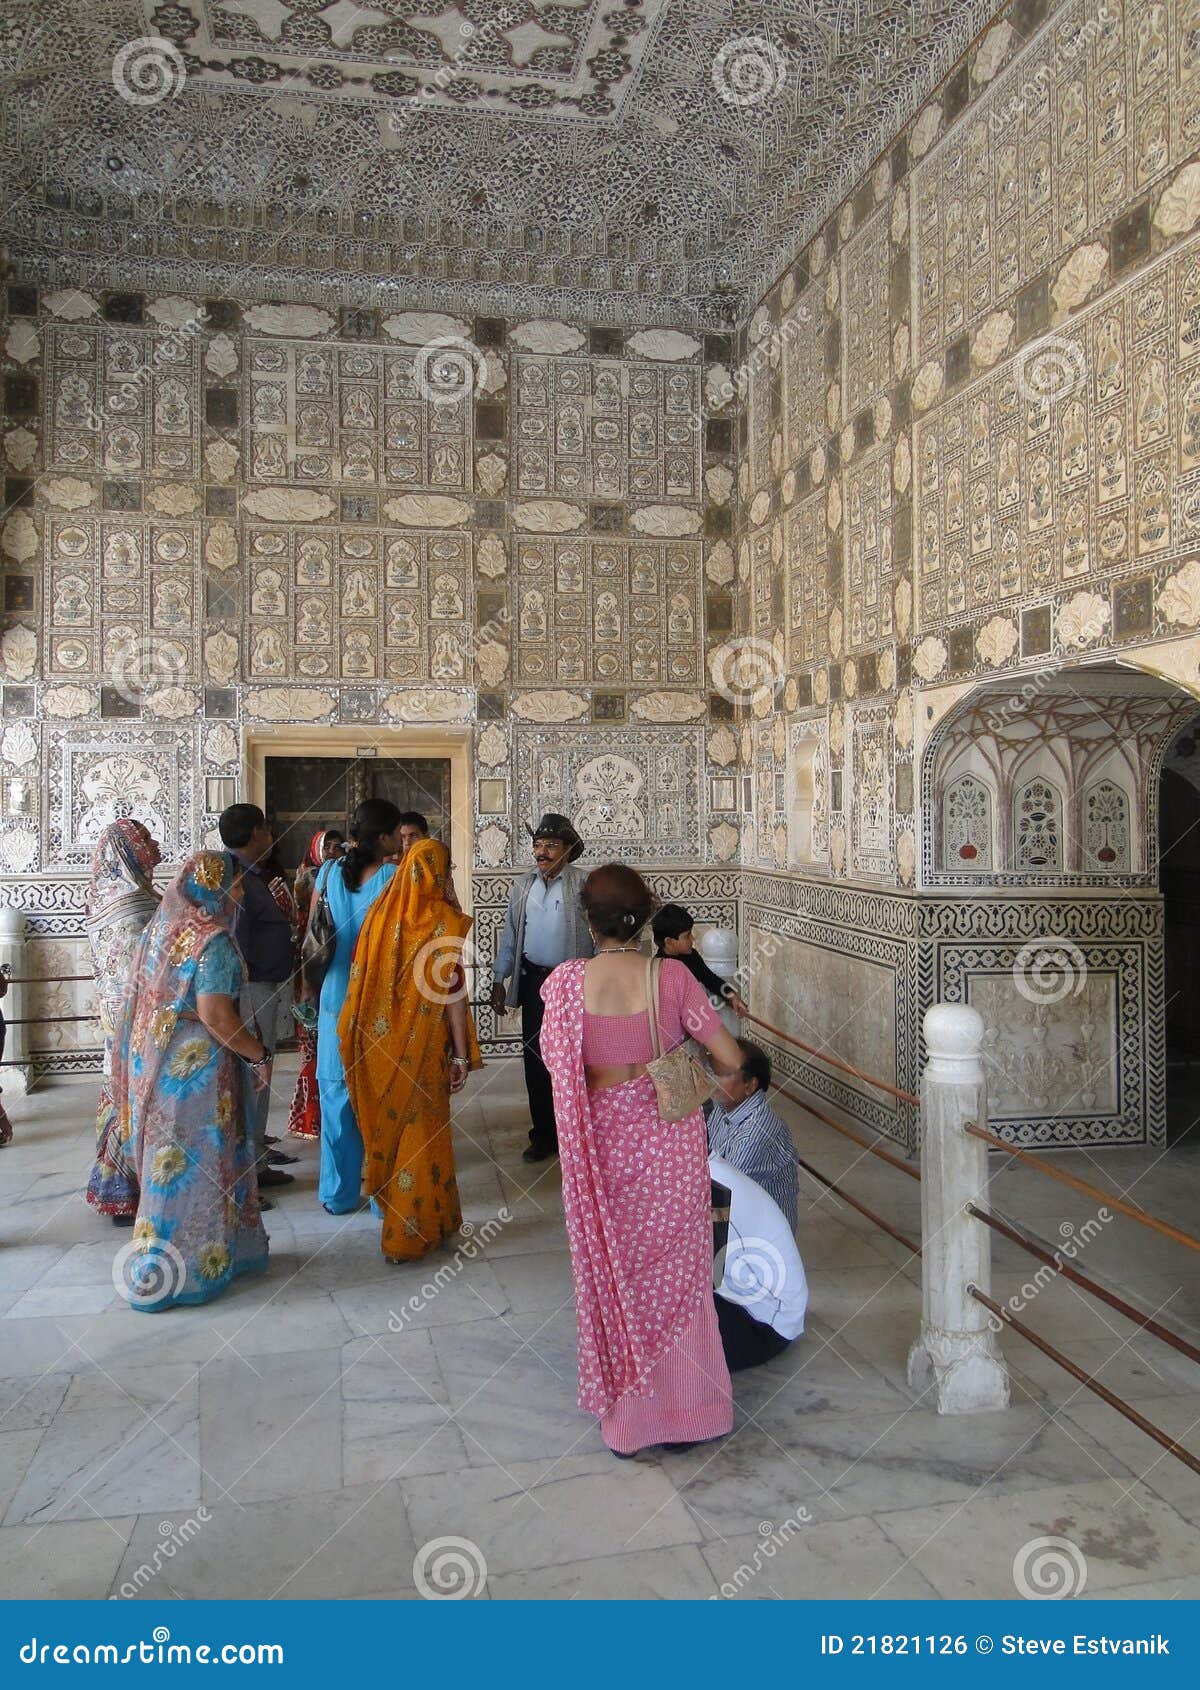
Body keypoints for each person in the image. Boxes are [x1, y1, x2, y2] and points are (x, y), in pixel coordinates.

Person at [539, 863, 747, 1457]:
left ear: (587, 919)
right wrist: (682, 1064)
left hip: (601, 1151)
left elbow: (559, 1071)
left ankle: (634, 1420)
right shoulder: (673, 980)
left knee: (620, 1277)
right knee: (680, 1281)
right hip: (671, 1145)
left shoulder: (566, 985)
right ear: (647, 913)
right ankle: (690, 1413)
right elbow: (730, 1058)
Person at [113, 851, 271, 1311]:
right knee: (196, 1167)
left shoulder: (161, 930)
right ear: (212, 886)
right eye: (235, 884)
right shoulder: (212, 940)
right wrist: (258, 1055)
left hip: (160, 1067)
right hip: (197, 1071)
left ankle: (158, 1266)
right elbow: (217, 1015)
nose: (240, 893)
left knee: (170, 1166)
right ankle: (188, 1270)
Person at [341, 836, 482, 1261]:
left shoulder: (381, 915)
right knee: (422, 1135)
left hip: (378, 1048)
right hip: (423, 1050)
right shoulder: (442, 922)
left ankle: (429, 1220)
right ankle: (409, 1235)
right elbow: (452, 993)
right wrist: (460, 1054)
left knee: (396, 1132)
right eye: (448, 871)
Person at [307, 797, 404, 1214]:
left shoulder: (328, 872)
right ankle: (384, 1199)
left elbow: (313, 932)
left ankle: (338, 1194)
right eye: (396, 834)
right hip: (380, 1000)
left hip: (334, 996)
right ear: (383, 837)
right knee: (382, 1099)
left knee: (335, 1097)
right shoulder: (395, 878)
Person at [491, 813, 591, 1163]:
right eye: (537, 845)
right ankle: (544, 1135)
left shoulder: (584, 885)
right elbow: (510, 936)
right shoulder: (522, 886)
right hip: (535, 982)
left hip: (573, 987)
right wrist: (499, 978)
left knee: (573, 1061)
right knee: (536, 1059)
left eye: (550, 845)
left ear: (568, 849)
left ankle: (575, 1135)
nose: (542, 852)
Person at [83, 819, 161, 1224]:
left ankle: (122, 1185)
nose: (153, 845)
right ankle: (132, 1189)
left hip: (118, 1021)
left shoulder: (109, 896)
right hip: (137, 1021)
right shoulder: (133, 905)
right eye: (144, 840)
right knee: (137, 1099)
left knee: (122, 1096)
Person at [219, 804, 294, 1201]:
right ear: (254, 833)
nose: (270, 838)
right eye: (266, 830)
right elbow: (235, 938)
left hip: (261, 987)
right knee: (252, 1076)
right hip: (249, 991)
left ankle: (256, 1161)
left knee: (258, 1078)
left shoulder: (249, 874)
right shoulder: (235, 879)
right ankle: (245, 1175)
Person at [710, 1156, 807, 1372]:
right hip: (739, 1297)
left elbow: (704, 1277)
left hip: (768, 1323)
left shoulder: (712, 1183)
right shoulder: (706, 1169)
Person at [707, 1038, 800, 1232]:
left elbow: (724, 1194)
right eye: (714, 1071)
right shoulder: (723, 1108)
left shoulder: (756, 1132)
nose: (714, 1079)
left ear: (750, 1086)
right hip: (739, 1218)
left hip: (762, 1237)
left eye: (724, 1074)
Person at [287, 828, 343, 1140]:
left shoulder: (344, 877)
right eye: (329, 847)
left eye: (338, 847)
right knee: (314, 1044)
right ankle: (311, 1117)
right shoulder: (308, 878)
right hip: (312, 965)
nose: (335, 852)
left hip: (333, 968)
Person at [651, 904, 748, 1018]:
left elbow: (710, 978)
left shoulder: (691, 956)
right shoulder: (659, 968)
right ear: (669, 942)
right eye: (687, 936)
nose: (692, 938)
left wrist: (731, 996)